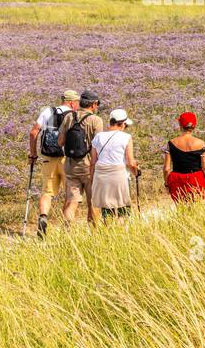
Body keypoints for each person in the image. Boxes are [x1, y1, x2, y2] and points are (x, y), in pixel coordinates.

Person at [27, 89, 80, 237]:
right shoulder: (74, 115)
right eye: (76, 102)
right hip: (67, 159)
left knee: (47, 192)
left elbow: (33, 132)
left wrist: (33, 153)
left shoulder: (47, 111)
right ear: (71, 102)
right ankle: (67, 227)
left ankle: (43, 218)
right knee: (70, 194)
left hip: (48, 158)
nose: (77, 105)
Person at [58, 90, 104, 224]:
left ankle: (67, 231)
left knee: (72, 202)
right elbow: (98, 146)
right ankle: (94, 234)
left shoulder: (69, 117)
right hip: (90, 167)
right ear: (94, 104)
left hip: (71, 166)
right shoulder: (96, 120)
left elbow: (60, 141)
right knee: (93, 203)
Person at [89, 109, 140, 221]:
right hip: (119, 175)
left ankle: (109, 233)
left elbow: (93, 162)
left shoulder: (98, 137)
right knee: (123, 208)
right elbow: (131, 162)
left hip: (101, 175)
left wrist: (92, 179)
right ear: (122, 124)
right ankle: (121, 233)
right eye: (126, 125)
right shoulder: (126, 137)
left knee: (107, 209)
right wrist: (136, 172)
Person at [165, 111, 205, 202]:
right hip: (196, 180)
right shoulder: (200, 143)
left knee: (181, 209)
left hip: (177, 180)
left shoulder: (171, 143)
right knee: (197, 208)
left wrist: (167, 184)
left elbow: (166, 168)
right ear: (194, 126)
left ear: (180, 125)